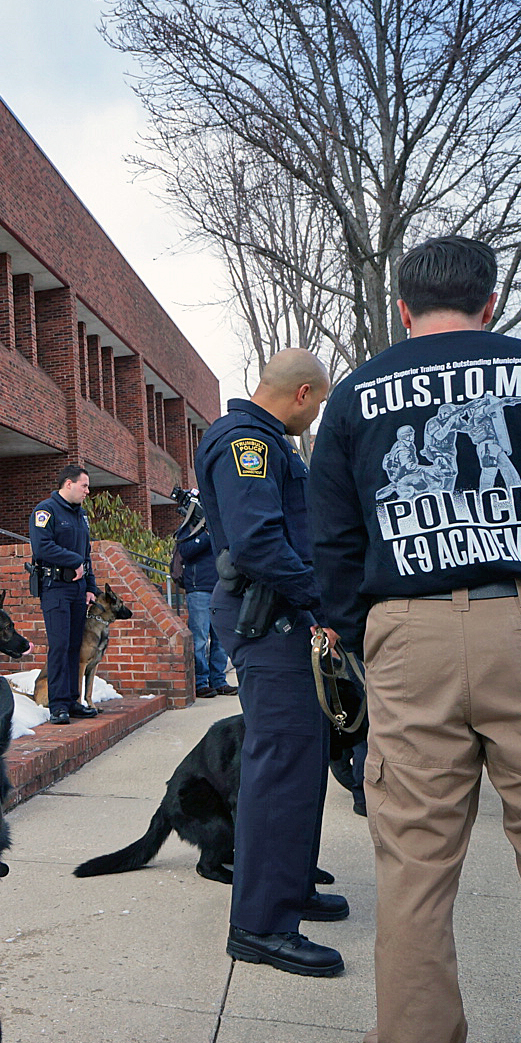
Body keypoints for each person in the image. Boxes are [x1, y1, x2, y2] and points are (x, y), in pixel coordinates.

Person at [309, 236, 521, 1043]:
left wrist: (369, 635)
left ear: (403, 309)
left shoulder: (353, 396)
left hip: (405, 634)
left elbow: (335, 544)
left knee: (414, 873)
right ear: (491, 303)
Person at [194, 347, 347, 977]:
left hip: (287, 617)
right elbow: (258, 543)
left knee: (303, 760)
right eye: (317, 406)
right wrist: (324, 598)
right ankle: (260, 924)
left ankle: (290, 887)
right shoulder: (245, 442)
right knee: (280, 765)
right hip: (270, 617)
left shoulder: (271, 443)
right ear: (304, 394)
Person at [29, 465, 100, 724]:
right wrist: (74, 561)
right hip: (55, 588)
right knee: (59, 646)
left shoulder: (80, 516)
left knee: (73, 646)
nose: (87, 491)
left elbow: (87, 553)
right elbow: (42, 547)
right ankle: (57, 704)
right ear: (68, 484)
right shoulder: (46, 510)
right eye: (84, 486)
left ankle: (72, 700)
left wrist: (91, 586)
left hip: (78, 590)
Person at [172, 492, 229, 697]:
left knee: (221, 639)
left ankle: (218, 680)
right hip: (199, 590)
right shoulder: (190, 527)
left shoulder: (221, 526)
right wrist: (206, 532)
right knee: (199, 639)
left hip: (221, 588)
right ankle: (200, 682)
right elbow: (186, 550)